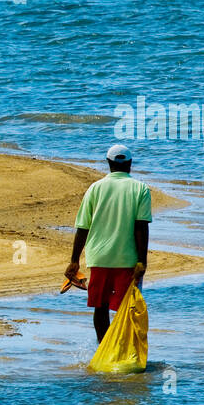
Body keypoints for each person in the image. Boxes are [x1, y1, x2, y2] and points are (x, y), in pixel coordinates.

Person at [65, 143, 151, 343]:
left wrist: (74, 260)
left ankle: (103, 346)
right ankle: (123, 349)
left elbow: (83, 227)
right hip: (127, 258)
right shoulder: (141, 189)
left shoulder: (95, 188)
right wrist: (142, 261)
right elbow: (141, 227)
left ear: (108, 163)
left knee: (100, 306)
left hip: (99, 256)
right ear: (130, 163)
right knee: (128, 308)